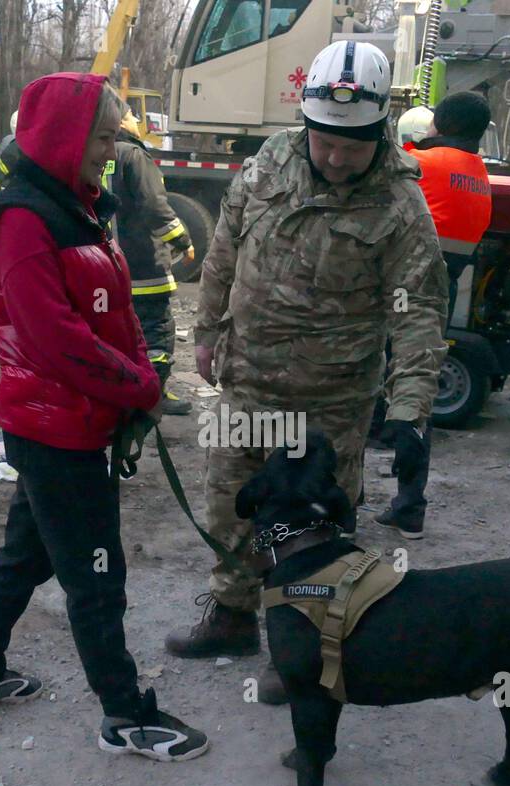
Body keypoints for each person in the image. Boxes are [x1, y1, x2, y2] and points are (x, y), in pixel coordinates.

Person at [164, 40, 448, 704]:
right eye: (325, 140)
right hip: (251, 381)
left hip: (332, 400)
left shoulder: (400, 208)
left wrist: (410, 410)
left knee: (316, 531)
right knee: (232, 505)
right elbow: (225, 249)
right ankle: (232, 618)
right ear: (306, 125)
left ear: (380, 130)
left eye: (352, 143)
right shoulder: (269, 163)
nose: (336, 156)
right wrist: (205, 333)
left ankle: (304, 650)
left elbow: (419, 313)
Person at [0, 73, 209, 762]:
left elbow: (103, 313)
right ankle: (126, 717)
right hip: (54, 426)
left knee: (25, 553)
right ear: (64, 136)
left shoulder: (75, 205)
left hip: (68, 421)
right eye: (101, 136)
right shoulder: (22, 220)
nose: (110, 149)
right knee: (95, 579)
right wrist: (140, 387)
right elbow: (53, 339)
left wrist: (129, 385)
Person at [369, 91, 494, 538]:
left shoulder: (424, 161)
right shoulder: (479, 175)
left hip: (394, 283)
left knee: (361, 376)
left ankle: (344, 498)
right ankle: (409, 503)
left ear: (438, 123)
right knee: (416, 390)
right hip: (437, 290)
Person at [110, 109, 197, 416]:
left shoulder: (97, 154)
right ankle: (153, 394)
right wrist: (183, 241)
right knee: (156, 329)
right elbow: (154, 206)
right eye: (132, 115)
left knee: (117, 331)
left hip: (107, 265)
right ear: (121, 121)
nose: (137, 121)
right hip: (144, 265)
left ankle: (120, 390)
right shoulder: (134, 156)